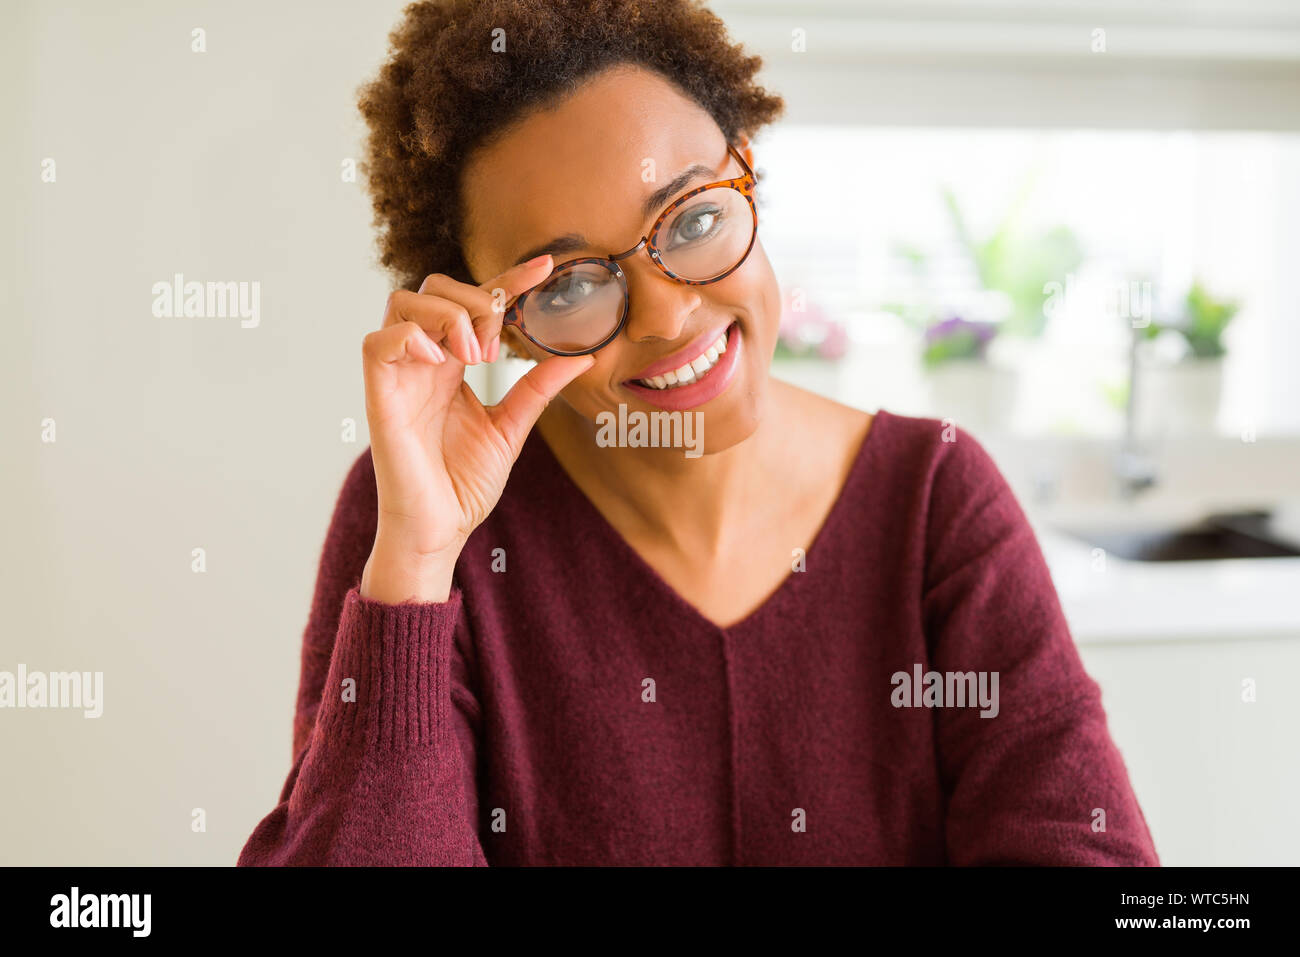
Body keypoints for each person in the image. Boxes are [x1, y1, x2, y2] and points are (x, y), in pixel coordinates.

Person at [238, 0, 1159, 866]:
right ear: (493, 323)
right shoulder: (423, 520)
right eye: (567, 287)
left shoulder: (934, 500)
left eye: (695, 219)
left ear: (747, 169)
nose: (668, 316)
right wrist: (415, 565)